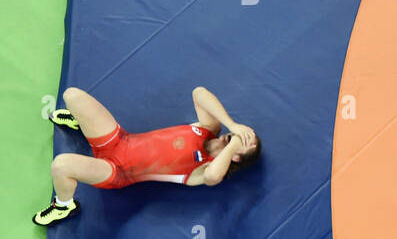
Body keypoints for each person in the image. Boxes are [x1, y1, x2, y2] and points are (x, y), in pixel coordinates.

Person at [32, 86, 260, 226]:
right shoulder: (209, 128)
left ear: (236, 158)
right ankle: (81, 122)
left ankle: (63, 206)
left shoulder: (204, 170)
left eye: (235, 142)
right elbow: (199, 93)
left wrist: (233, 146)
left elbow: (212, 178)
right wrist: (234, 125)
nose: (230, 137)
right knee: (72, 95)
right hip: (119, 140)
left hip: (116, 171)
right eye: (233, 135)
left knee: (61, 165)